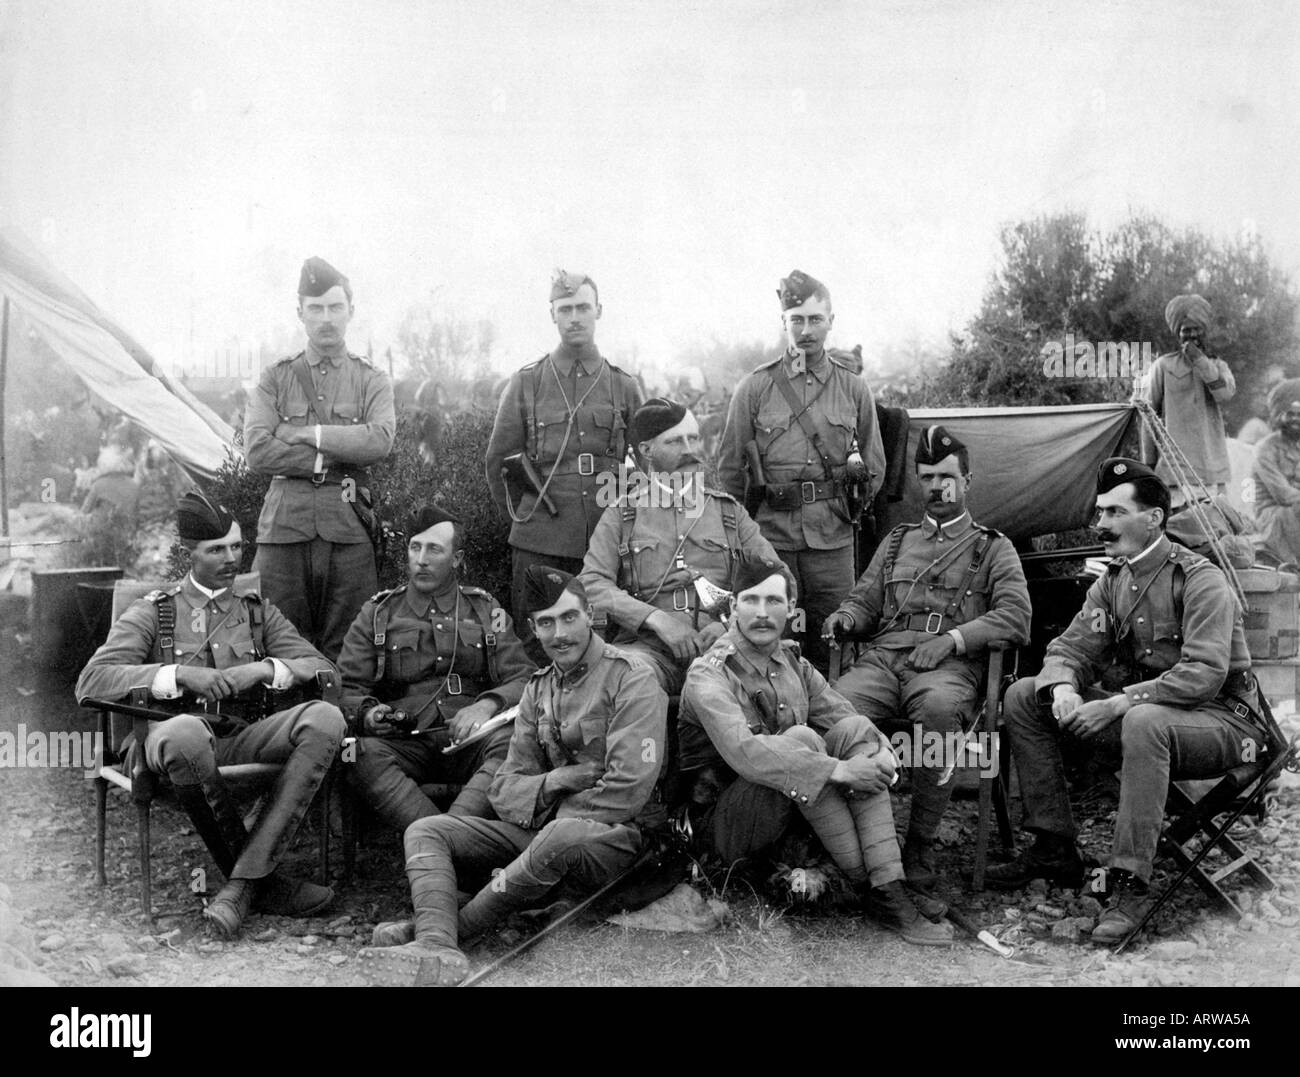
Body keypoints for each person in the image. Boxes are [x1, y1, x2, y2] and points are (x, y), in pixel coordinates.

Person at [987, 459, 1263, 944]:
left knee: (1143, 722)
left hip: (1225, 721)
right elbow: (1070, 647)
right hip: (1152, 715)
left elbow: (1203, 674)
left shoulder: (1200, 579)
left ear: (1153, 518)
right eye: (1100, 513)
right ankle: (1054, 847)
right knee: (1023, 695)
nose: (1101, 525)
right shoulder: (1113, 581)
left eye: (1115, 513)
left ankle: (1131, 884)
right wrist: (1065, 688)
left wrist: (1117, 704)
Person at [358, 568, 668, 986]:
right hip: (545, 839)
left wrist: (547, 810)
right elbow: (503, 790)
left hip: (620, 843)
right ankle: (435, 941)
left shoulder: (631, 677)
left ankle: (446, 936)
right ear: (532, 629)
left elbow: (629, 789)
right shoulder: (537, 690)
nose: (559, 633)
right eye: (546, 622)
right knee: (427, 830)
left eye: (569, 617)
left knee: (559, 838)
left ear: (591, 615)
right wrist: (556, 781)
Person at [75, 491, 346, 938]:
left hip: (239, 737)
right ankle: (266, 884)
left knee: (324, 719)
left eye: (237, 547)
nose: (231, 559)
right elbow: (91, 681)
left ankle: (243, 884)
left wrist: (264, 668)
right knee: (184, 731)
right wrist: (178, 674)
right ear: (188, 553)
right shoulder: (155, 611)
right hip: (166, 742)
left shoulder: (257, 614)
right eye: (216, 549)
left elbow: (322, 669)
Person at [678, 558, 951, 945]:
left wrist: (882, 753)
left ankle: (887, 885)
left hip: (791, 812)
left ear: (791, 609)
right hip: (723, 828)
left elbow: (845, 714)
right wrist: (838, 771)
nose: (761, 612)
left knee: (857, 731)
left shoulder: (793, 662)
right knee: (803, 740)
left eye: (773, 601)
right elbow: (745, 752)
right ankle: (873, 888)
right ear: (733, 606)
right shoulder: (709, 673)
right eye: (750, 600)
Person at [823, 426, 1031, 887]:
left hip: (948, 669)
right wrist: (845, 618)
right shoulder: (897, 541)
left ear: (968, 481)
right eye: (927, 477)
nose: (937, 487)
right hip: (883, 661)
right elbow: (864, 602)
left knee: (938, 713)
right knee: (833, 711)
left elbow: (1016, 617)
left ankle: (918, 848)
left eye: (947, 476)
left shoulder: (994, 547)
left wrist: (954, 639)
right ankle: (842, 845)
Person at [719, 269, 885, 671]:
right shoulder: (755, 388)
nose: (806, 330)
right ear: (783, 323)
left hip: (833, 540)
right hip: (770, 538)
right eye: (797, 319)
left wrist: (849, 513)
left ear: (831, 321)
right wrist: (748, 533)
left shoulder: (853, 388)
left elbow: (875, 467)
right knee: (771, 639)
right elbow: (728, 471)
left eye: (815, 319)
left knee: (835, 639)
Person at [337, 502, 535, 832]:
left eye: (434, 549)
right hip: (405, 740)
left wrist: (487, 705)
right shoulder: (377, 613)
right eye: (415, 547)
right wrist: (370, 715)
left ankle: (440, 839)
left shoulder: (485, 609)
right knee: (352, 753)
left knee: (516, 742)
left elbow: (525, 676)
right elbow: (345, 687)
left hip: (470, 739)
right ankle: (446, 839)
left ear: (456, 559)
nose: (422, 559)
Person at [243, 256, 396, 659]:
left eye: (335, 307)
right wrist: (321, 459)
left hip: (347, 529)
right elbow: (256, 449)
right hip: (283, 530)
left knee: (349, 646)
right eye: (315, 309)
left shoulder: (371, 379)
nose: (326, 318)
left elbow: (379, 439)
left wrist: (307, 434)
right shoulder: (275, 378)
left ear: (351, 311)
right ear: (300, 313)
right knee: (276, 642)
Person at [484, 270, 643, 650]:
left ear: (598, 311)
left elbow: (648, 460)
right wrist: (528, 519)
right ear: (552, 314)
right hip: (541, 536)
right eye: (565, 308)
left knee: (607, 644)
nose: (575, 317)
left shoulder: (623, 385)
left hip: (606, 538)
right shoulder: (527, 383)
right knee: (538, 644)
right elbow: (498, 463)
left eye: (583, 307)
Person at [579, 397, 780, 694]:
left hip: (726, 646)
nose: (689, 450)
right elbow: (590, 583)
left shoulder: (728, 511)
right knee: (629, 676)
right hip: (650, 650)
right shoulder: (623, 514)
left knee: (757, 682)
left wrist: (731, 625)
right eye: (675, 441)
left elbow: (777, 576)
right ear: (647, 450)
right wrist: (655, 619)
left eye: (693, 438)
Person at [1142, 293, 1235, 500]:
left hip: (1211, 471)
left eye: (1197, 329)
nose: (1192, 335)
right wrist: (1148, 465)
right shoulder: (1163, 366)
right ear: (1178, 333)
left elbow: (1224, 394)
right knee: (1177, 529)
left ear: (1205, 331)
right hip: (1174, 472)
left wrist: (1200, 360)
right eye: (1186, 330)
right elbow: (1148, 416)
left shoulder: (1218, 367)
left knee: (1217, 527)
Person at [1250, 378, 1300, 566]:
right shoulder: (1265, 448)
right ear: (1279, 415)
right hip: (1273, 517)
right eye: (1290, 414)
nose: (1295, 419)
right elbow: (1284, 495)